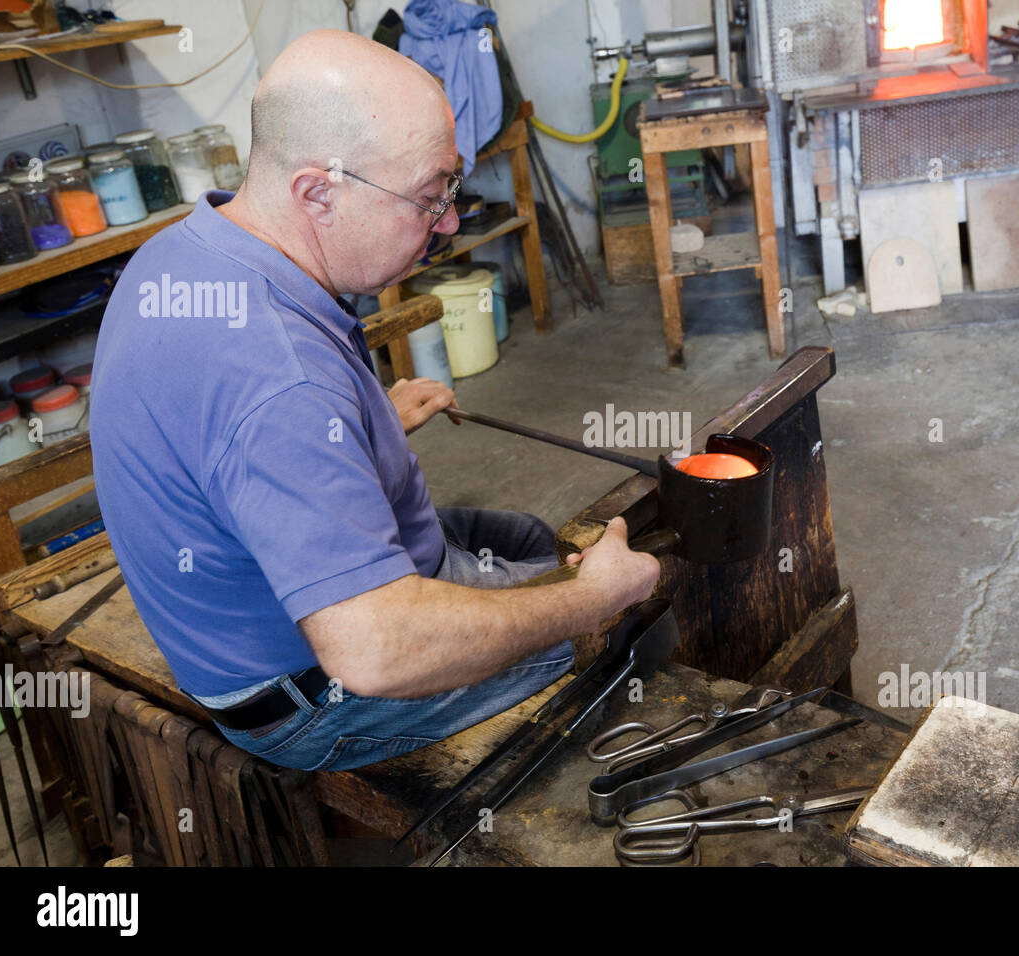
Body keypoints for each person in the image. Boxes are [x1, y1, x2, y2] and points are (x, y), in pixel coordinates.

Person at [89, 30, 659, 772]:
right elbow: (375, 651)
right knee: (630, 621)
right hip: (313, 699)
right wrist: (592, 604)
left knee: (519, 536)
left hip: (245, 617)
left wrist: (360, 420)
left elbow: (231, 433)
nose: (450, 222)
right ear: (317, 193)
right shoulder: (279, 381)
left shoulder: (184, 253)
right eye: (429, 197)